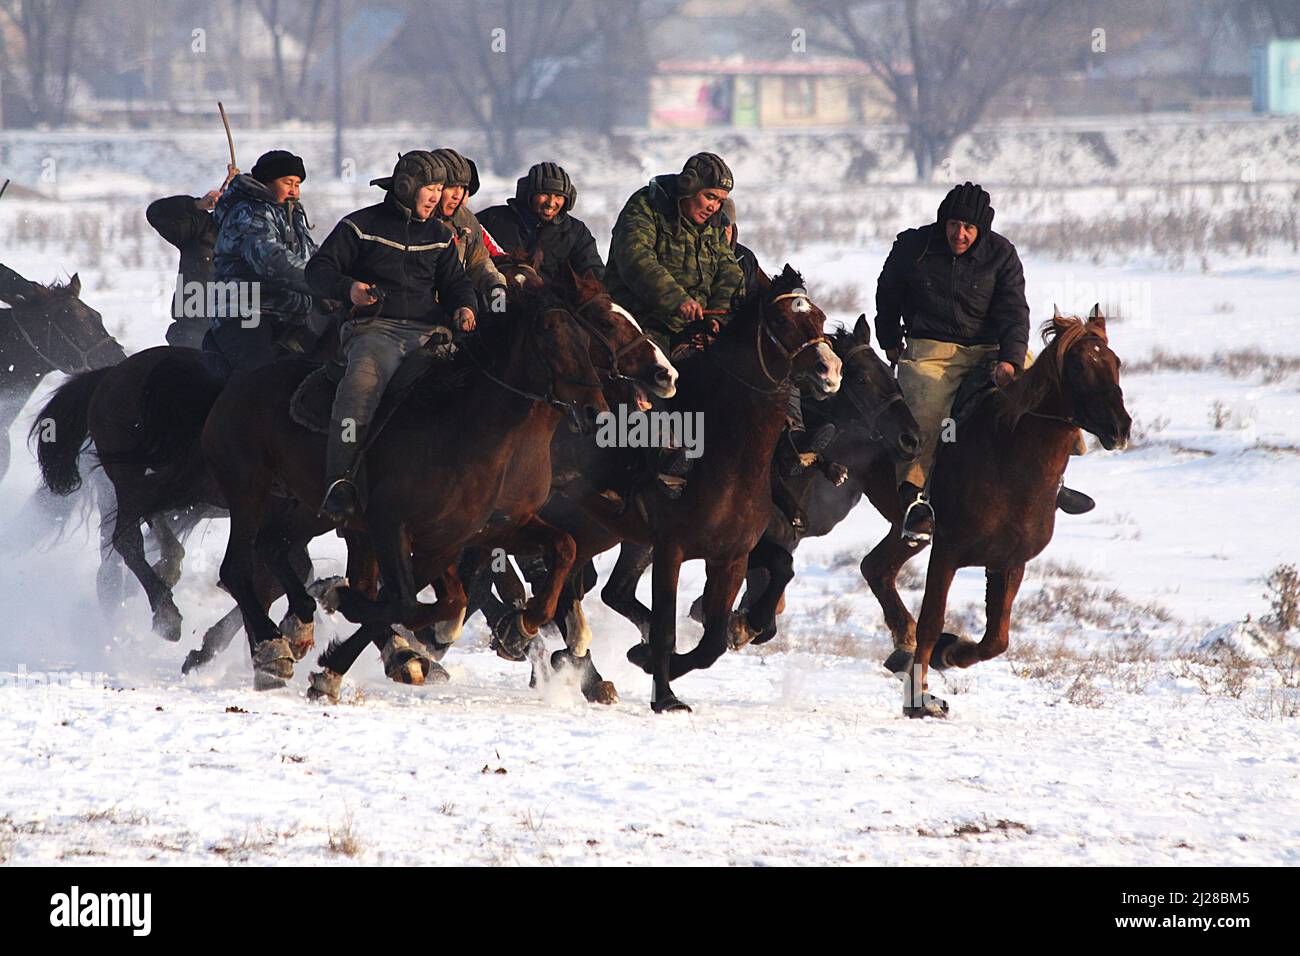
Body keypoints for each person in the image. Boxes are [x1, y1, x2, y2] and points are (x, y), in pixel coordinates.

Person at [874, 181, 1092, 545]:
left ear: (982, 229)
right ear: (943, 222)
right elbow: (888, 293)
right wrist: (890, 342)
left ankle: (1055, 479)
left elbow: (1013, 311)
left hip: (991, 347)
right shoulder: (914, 247)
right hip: (933, 348)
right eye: (954, 225)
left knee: (1040, 386)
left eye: (969, 228)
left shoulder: (1001, 254)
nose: (960, 234)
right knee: (926, 408)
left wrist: (1009, 359)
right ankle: (913, 498)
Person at [305, 151, 478, 524]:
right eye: (429, 189)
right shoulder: (360, 226)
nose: (437, 196)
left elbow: (457, 284)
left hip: (429, 333)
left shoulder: (440, 236)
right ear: (406, 187)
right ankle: (340, 481)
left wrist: (466, 307)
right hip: (374, 331)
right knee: (360, 388)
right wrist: (348, 288)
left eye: (439, 189)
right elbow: (317, 270)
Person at [604, 151, 742, 358]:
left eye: (720, 201)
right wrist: (677, 300)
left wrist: (717, 318)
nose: (714, 207)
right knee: (656, 381)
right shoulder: (647, 206)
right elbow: (636, 257)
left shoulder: (714, 225)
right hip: (641, 323)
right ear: (689, 187)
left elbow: (729, 271)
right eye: (710, 197)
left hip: (695, 328)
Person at [205, 150, 317, 373]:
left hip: (288, 316)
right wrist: (322, 281)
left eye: (297, 183)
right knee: (259, 376)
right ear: (267, 182)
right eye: (287, 182)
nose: (294, 190)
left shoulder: (293, 217)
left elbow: (311, 255)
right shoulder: (248, 213)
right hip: (246, 314)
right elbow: (270, 259)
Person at [476, 162, 604, 283]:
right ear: (528, 195)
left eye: (558, 196)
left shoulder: (575, 232)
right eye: (544, 194)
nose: (551, 203)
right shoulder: (494, 220)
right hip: (498, 300)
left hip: (555, 304)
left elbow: (592, 272)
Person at [146, 168, 231, 348]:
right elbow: (156, 213)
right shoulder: (200, 228)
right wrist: (195, 205)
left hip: (239, 331)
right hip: (192, 330)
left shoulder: (259, 236)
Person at [428, 148, 508, 314]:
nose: (458, 195)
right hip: (415, 314)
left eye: (462, 187)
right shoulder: (410, 222)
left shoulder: (465, 219)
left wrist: (496, 287)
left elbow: (478, 261)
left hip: (458, 308)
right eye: (451, 187)